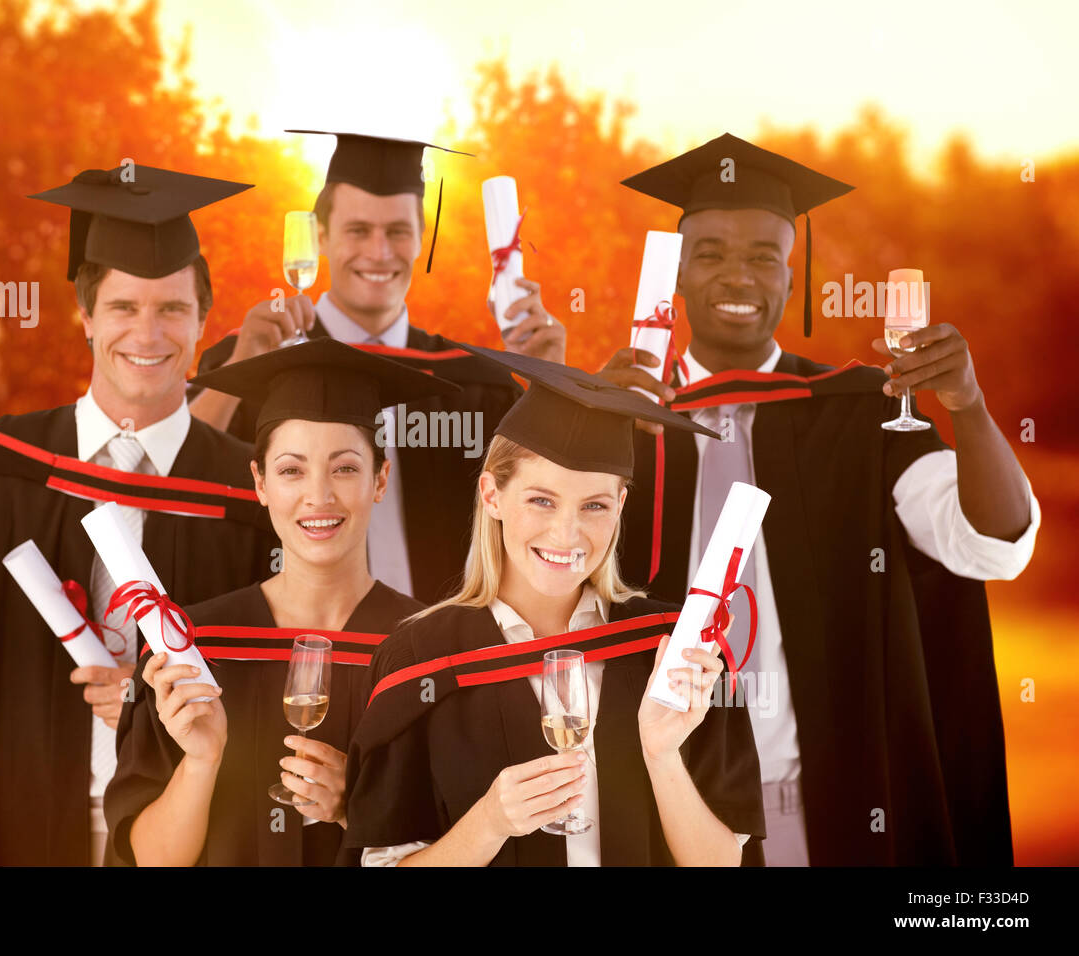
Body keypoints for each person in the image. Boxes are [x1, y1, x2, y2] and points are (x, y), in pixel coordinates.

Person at [0, 164, 278, 866]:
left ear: (202, 322)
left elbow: (292, 673)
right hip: (17, 829)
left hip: (194, 842)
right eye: (123, 308)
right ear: (87, 318)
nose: (147, 333)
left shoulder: (255, 491)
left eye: (172, 310)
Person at [604, 133, 1040, 865]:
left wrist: (967, 404)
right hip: (658, 815)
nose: (736, 276)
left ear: (791, 275)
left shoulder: (858, 413)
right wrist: (582, 431)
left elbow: (990, 543)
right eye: (709, 253)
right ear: (677, 274)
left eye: (763, 256)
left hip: (826, 817)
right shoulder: (624, 418)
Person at [343, 345, 766, 866]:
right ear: (492, 496)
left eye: (594, 506)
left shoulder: (672, 647)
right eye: (541, 500)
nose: (567, 534)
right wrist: (490, 822)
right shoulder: (419, 659)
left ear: (621, 507)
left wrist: (661, 754)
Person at [106, 338, 456, 865]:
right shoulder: (190, 648)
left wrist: (355, 809)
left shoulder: (432, 649)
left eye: (345, 468)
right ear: (260, 483)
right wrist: (202, 760)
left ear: (380, 479)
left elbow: (468, 844)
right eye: (292, 470)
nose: (319, 496)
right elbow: (150, 861)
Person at [189, 130, 566, 604]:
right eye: (358, 230)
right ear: (321, 235)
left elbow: (541, 514)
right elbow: (184, 484)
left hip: (440, 652)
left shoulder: (472, 381)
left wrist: (552, 384)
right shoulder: (253, 364)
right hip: (293, 655)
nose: (379, 252)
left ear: (421, 239)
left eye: (397, 232)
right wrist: (242, 366)